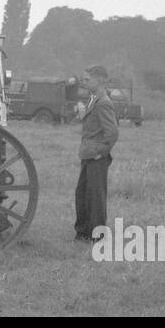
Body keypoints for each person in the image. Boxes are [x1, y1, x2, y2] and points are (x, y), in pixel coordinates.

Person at [74, 64, 118, 242]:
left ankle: (97, 235)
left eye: (88, 79)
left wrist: (101, 152)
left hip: (96, 156)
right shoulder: (93, 99)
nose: (85, 82)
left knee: (96, 196)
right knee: (82, 194)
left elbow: (112, 133)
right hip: (87, 154)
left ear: (99, 80)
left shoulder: (103, 102)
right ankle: (83, 231)